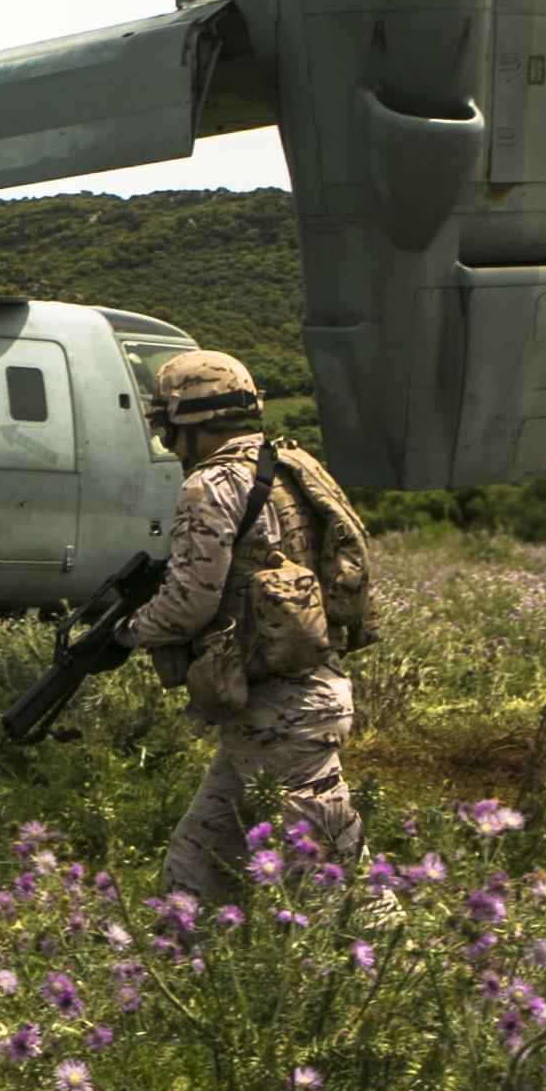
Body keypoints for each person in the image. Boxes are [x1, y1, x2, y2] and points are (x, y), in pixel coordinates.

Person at [122, 348, 375, 901]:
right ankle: (180, 947)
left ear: (188, 421)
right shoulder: (291, 468)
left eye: (166, 425)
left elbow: (188, 603)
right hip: (292, 699)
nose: (167, 442)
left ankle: (389, 952)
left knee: (334, 882)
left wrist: (130, 630)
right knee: (200, 857)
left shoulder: (212, 484)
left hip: (283, 714)